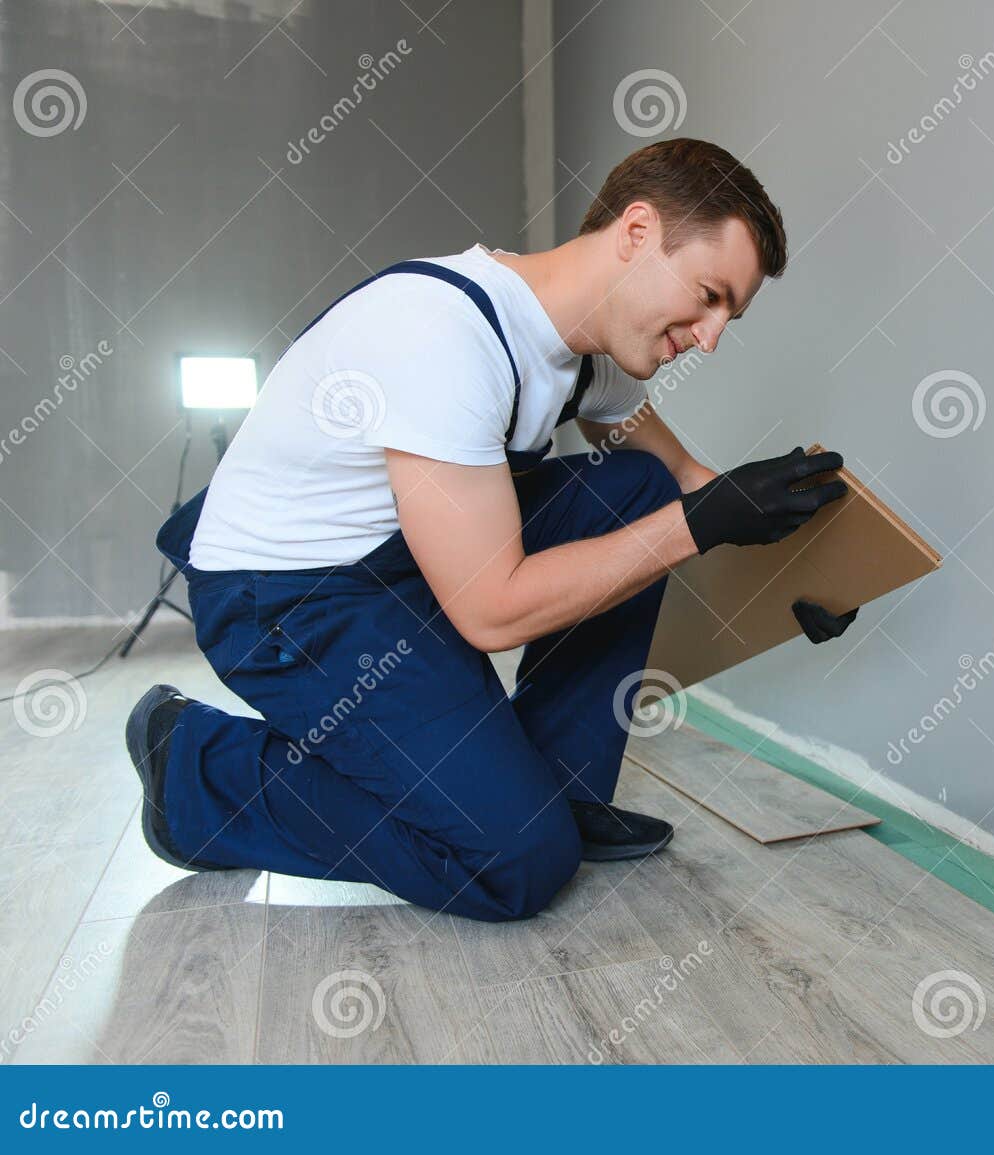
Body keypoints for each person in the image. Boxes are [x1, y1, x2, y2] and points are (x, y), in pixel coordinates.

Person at [124, 138, 857, 923]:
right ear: (638, 232)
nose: (710, 337)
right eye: (709, 295)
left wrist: (804, 576)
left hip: (407, 565)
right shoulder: (443, 336)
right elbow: (490, 611)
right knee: (513, 862)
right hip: (290, 601)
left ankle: (552, 792)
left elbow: (688, 488)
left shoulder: (593, 354)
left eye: (729, 316)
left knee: (638, 486)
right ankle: (199, 775)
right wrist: (701, 524)